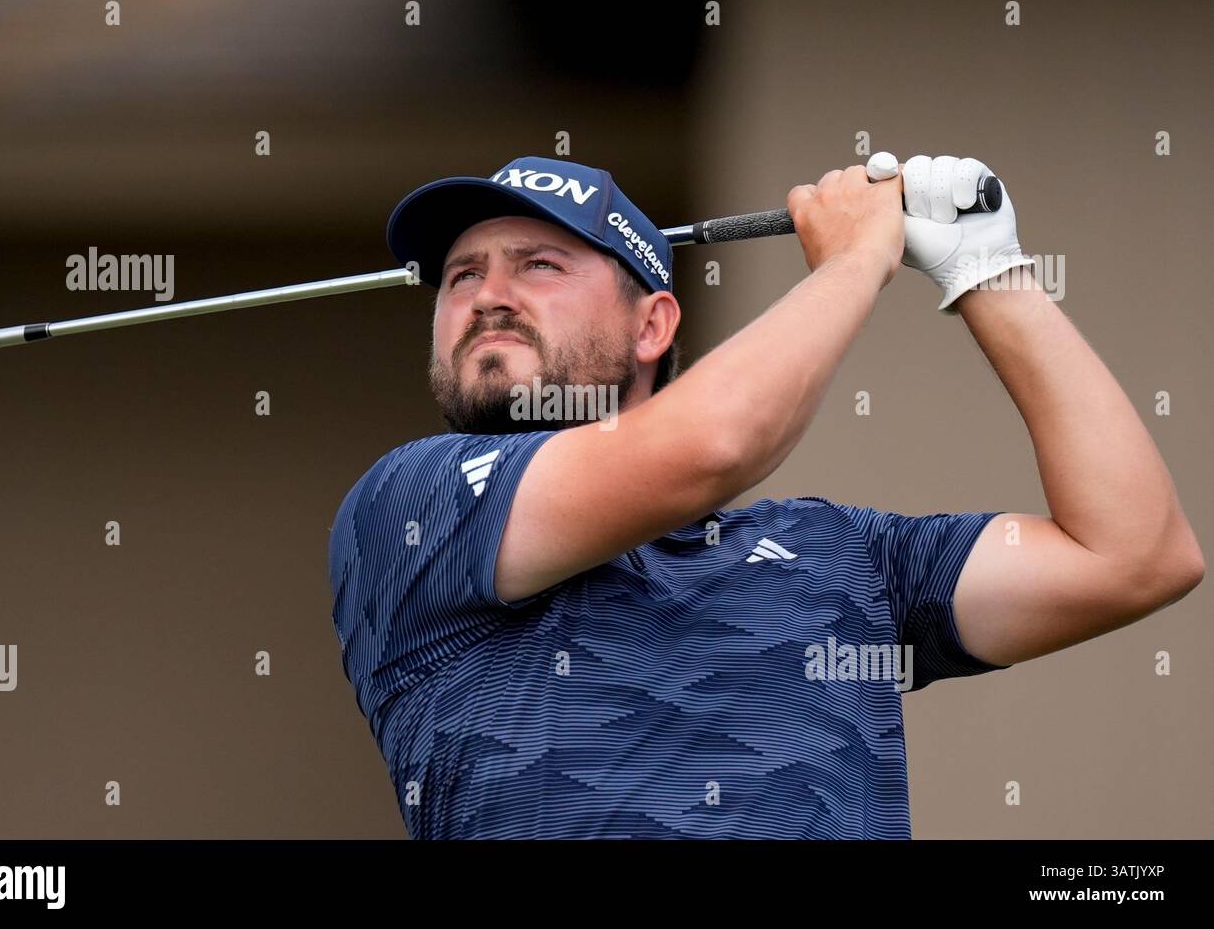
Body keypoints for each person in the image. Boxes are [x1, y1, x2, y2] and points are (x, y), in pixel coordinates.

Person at [327, 154, 1204, 838]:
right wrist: (855, 260)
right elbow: (714, 445)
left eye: (539, 265)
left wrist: (992, 273)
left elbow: (1135, 556)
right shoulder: (410, 505)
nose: (489, 296)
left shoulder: (840, 555)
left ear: (651, 325)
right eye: (461, 276)